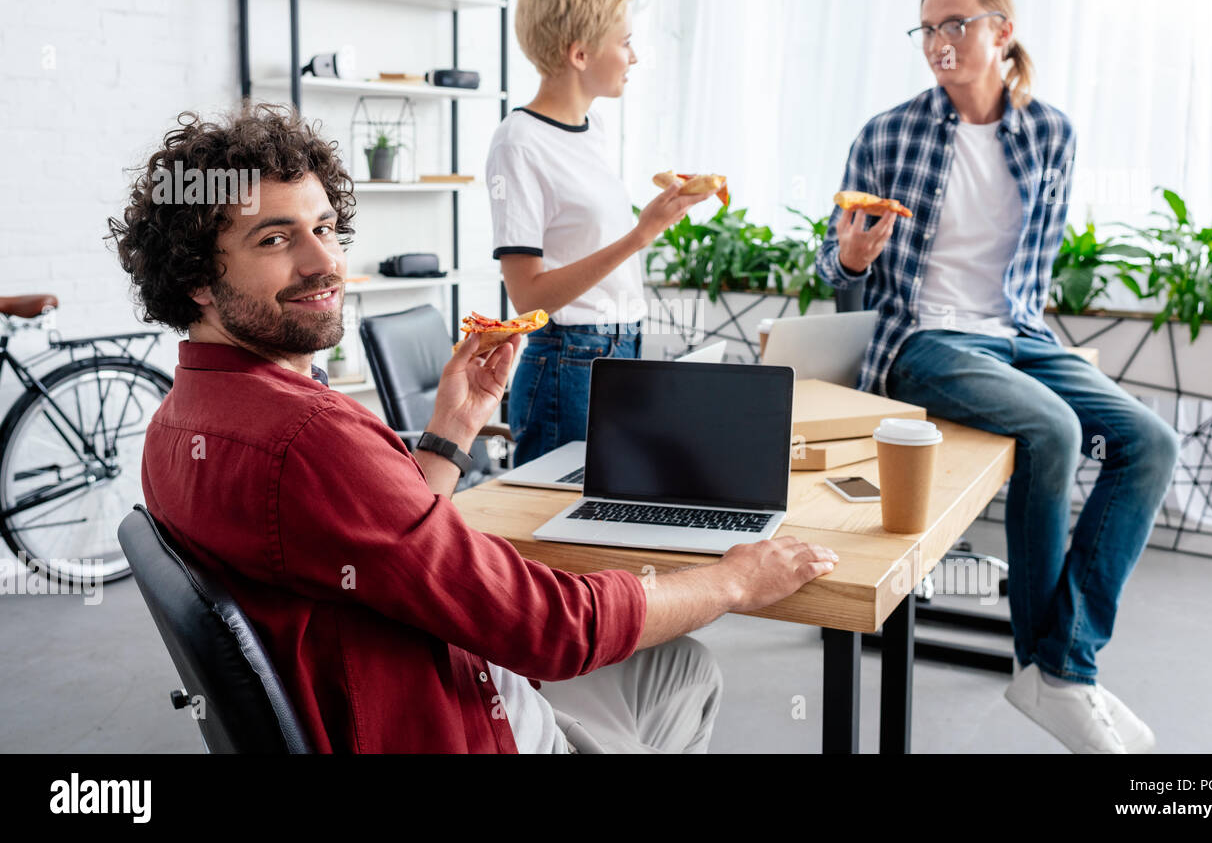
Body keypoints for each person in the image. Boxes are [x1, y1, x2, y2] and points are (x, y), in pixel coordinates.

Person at [109, 104, 838, 753]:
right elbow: (553, 628)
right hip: (453, 719)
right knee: (687, 669)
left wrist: (452, 429)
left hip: (404, 683)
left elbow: (371, 547)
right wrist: (736, 580)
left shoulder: (177, 424)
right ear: (197, 279)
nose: (324, 260)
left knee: (671, 661)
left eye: (325, 227)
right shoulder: (308, 435)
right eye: (275, 239)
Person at [817, 0, 1179, 754]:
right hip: (922, 341)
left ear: (1000, 32)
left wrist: (1028, 341)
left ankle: (1061, 667)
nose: (939, 43)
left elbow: (1031, 275)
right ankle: (1055, 670)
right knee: (1050, 428)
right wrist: (848, 257)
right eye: (927, 30)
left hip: (1017, 333)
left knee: (1152, 442)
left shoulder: (1051, 134)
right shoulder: (886, 133)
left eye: (955, 25)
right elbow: (834, 267)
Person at [487, 0, 715, 465]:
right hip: (570, 360)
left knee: (610, 511)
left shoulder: (594, 129)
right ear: (580, 53)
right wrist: (640, 235)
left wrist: (659, 217)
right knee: (553, 531)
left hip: (623, 347)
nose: (633, 56)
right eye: (625, 41)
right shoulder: (518, 142)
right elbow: (527, 297)